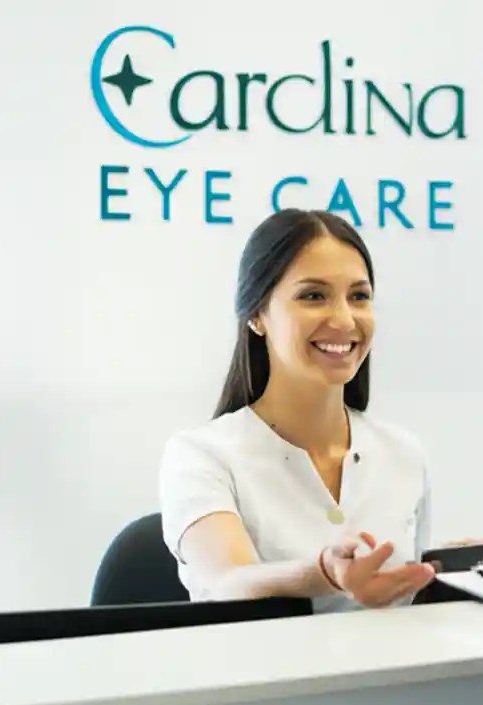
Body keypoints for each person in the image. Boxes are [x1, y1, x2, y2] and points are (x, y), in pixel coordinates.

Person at [159, 209, 438, 611]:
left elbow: (413, 604)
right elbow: (227, 582)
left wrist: (456, 571)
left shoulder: (404, 453)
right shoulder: (201, 456)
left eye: (359, 296)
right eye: (313, 296)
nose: (344, 319)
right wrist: (324, 572)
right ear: (257, 315)